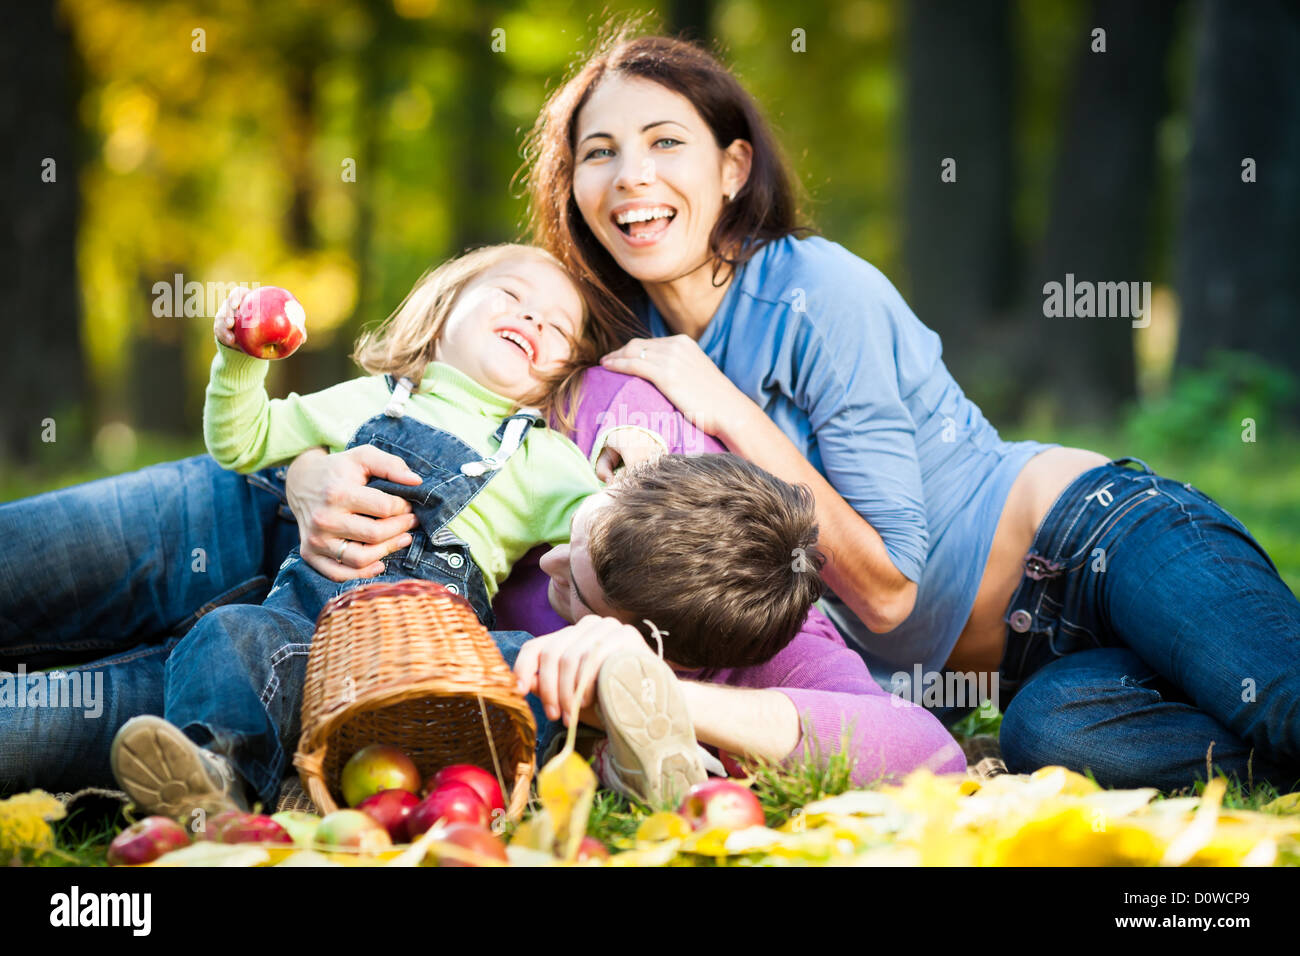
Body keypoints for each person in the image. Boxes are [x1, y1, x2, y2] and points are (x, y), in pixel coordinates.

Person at [501, 28, 1299, 791]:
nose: (631, 174)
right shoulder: (617, 359)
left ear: (734, 168)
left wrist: (734, 411)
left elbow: (887, 594)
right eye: (598, 153)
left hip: (1101, 540)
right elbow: (482, 435)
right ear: (572, 186)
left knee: (1284, 705)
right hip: (1028, 676)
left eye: (665, 141)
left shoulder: (819, 294)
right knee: (1047, 743)